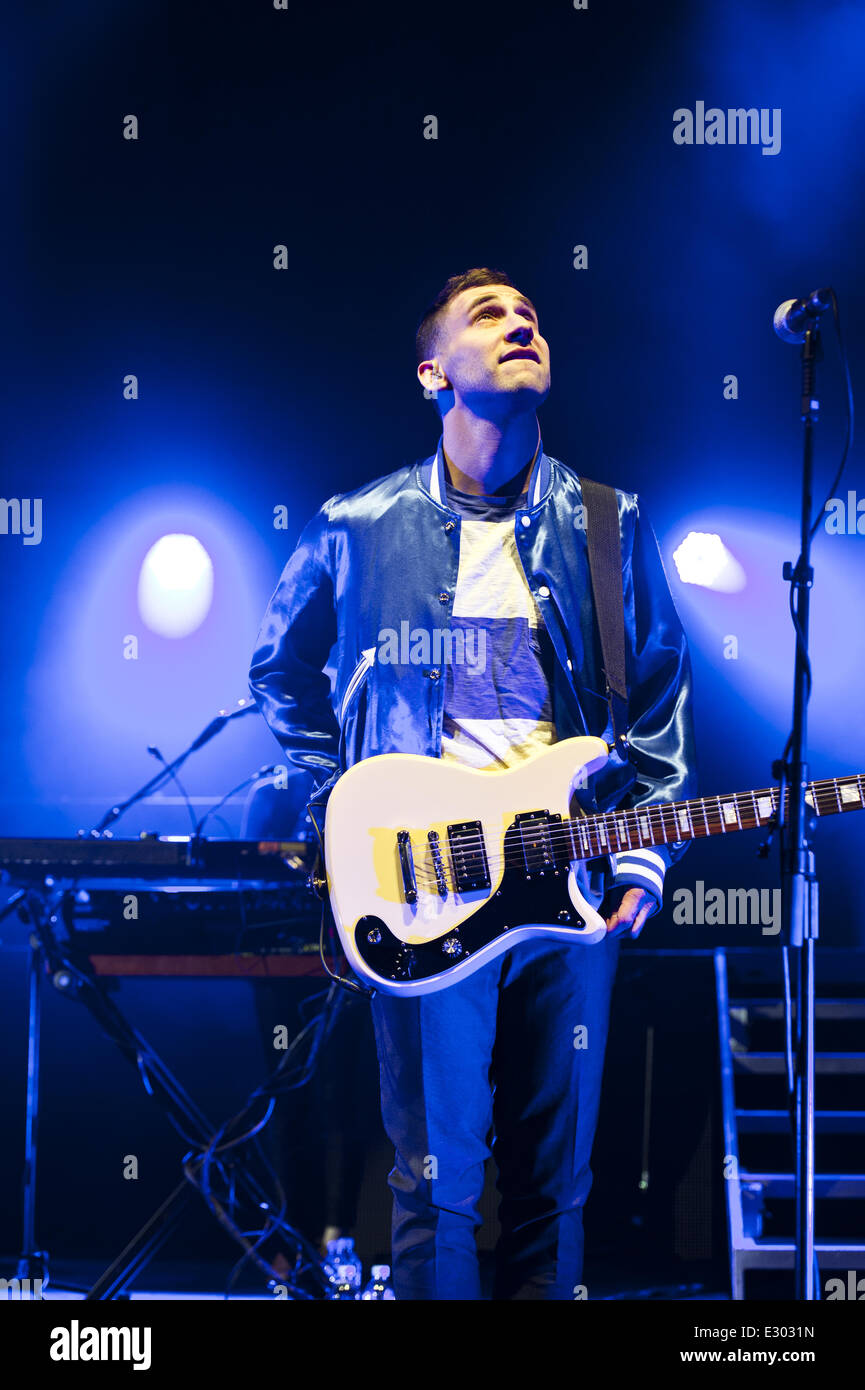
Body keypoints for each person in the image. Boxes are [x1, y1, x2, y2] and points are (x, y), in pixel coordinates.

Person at [249, 267, 697, 1299]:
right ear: (431, 372)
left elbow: (660, 702)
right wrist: (335, 800)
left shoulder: (606, 521)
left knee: (554, 1186)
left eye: (530, 314)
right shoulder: (358, 523)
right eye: (488, 316)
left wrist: (639, 851)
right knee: (436, 1184)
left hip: (566, 884)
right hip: (423, 883)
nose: (520, 324)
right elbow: (277, 668)